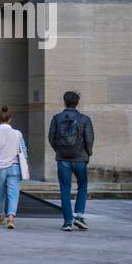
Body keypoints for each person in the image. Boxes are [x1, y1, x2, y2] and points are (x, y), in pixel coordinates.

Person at [48, 90, 94, 232]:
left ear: (64, 101)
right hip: (80, 159)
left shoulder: (57, 118)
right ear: (77, 103)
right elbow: (89, 139)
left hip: (63, 159)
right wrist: (88, 153)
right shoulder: (85, 119)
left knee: (64, 189)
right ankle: (79, 217)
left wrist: (59, 151)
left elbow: (51, 137)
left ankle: (68, 222)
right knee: (83, 186)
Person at [0, 105, 26, 230]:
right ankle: (11, 217)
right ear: (10, 119)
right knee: (13, 194)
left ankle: (0, 215)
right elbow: (23, 151)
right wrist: (25, 167)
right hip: (14, 167)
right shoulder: (18, 134)